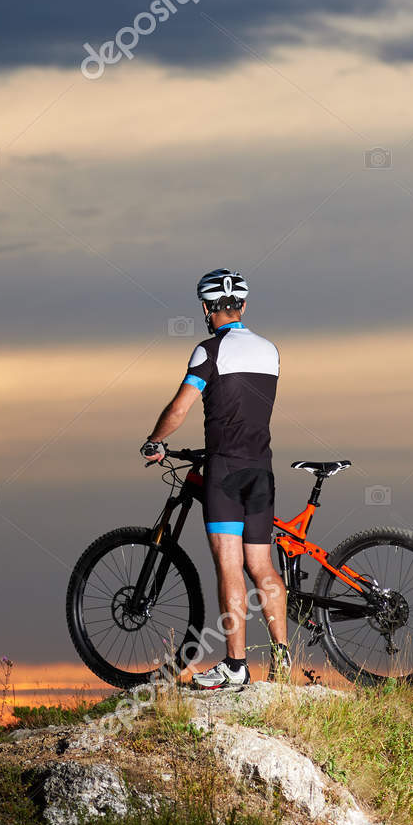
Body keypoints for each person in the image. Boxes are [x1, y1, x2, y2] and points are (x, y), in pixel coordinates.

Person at [141, 269, 290, 689]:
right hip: (262, 469)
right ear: (243, 305)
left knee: (229, 566)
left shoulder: (208, 351)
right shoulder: (270, 351)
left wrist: (154, 441)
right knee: (261, 565)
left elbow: (180, 407)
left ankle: (236, 667)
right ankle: (283, 658)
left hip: (224, 470)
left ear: (206, 308)